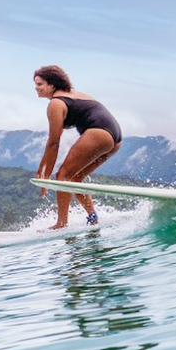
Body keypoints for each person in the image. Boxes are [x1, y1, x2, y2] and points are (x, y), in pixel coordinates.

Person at [33, 65, 123, 229]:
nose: (36, 88)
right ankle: (93, 217)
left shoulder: (56, 103)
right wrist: (43, 170)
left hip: (100, 132)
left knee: (63, 175)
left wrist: (46, 175)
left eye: (40, 84)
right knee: (75, 178)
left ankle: (61, 223)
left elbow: (54, 142)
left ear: (52, 84)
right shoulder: (72, 95)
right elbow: (52, 143)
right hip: (115, 138)